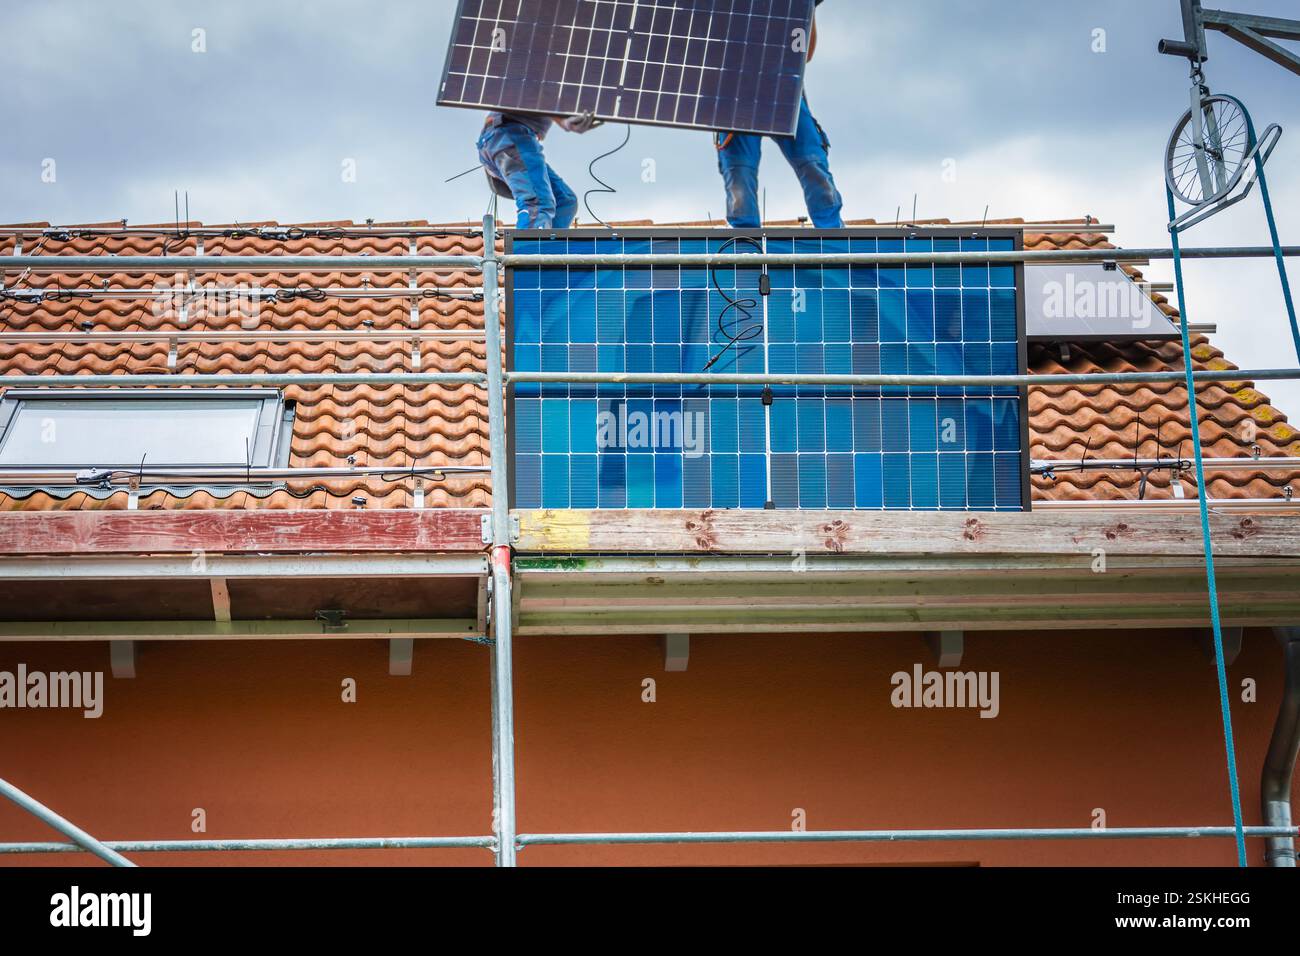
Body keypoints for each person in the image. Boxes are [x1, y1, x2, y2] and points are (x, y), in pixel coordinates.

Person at [714, 0, 843, 228]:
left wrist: (807, 7)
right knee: (740, 172)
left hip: (781, 86)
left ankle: (831, 232)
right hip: (737, 90)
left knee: (811, 160)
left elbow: (804, 54)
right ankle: (746, 244)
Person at [477, 110, 597, 229]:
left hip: (504, 139)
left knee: (565, 201)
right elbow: (538, 93)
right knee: (537, 204)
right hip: (510, 133)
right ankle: (529, 246)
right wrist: (563, 120)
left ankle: (547, 245)